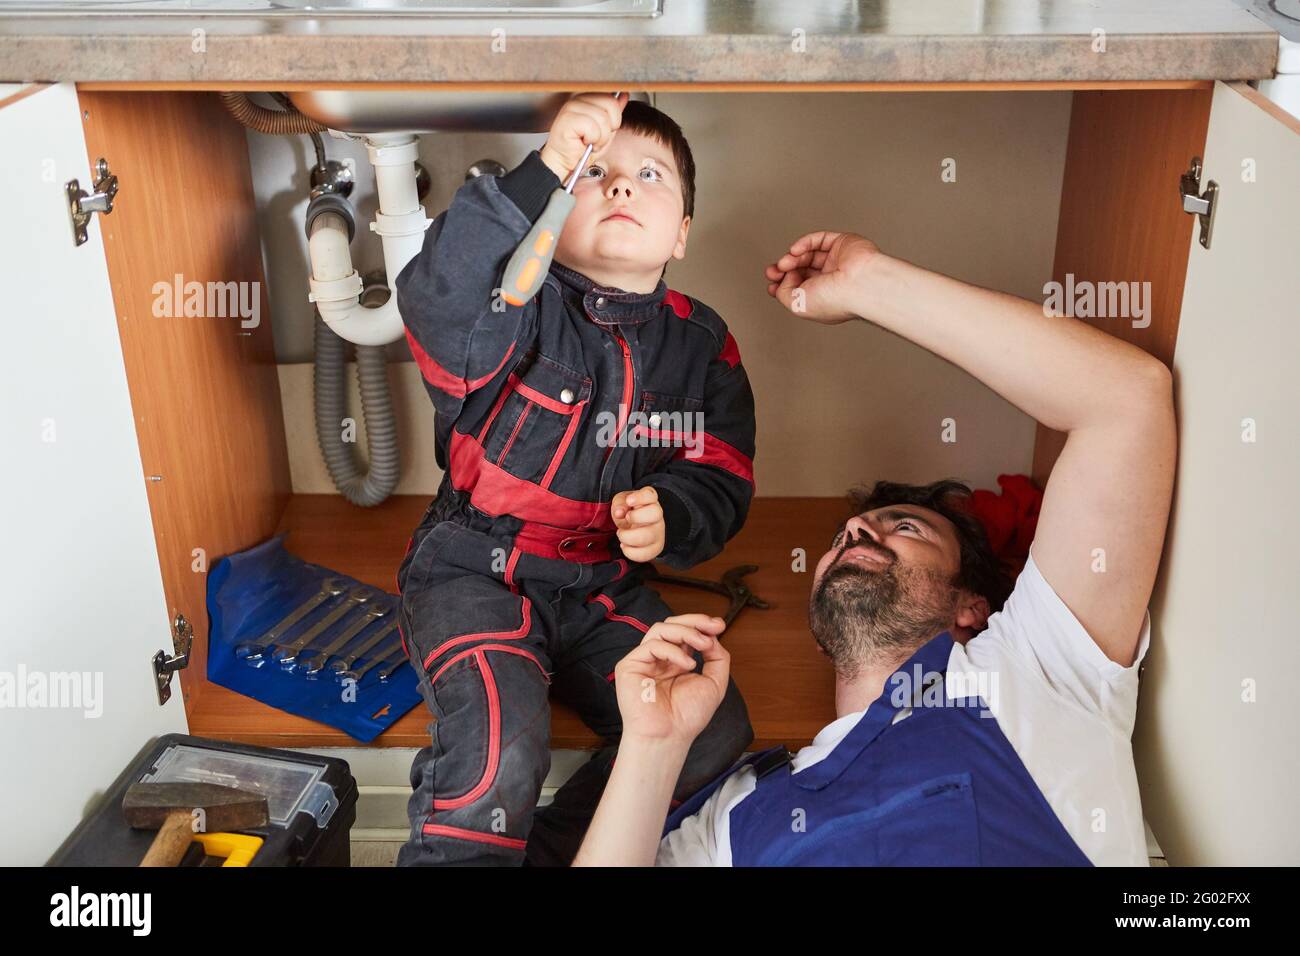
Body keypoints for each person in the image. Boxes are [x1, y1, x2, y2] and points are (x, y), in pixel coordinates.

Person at [573, 230, 1176, 866]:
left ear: (973, 606)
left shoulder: (1035, 673)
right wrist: (653, 745)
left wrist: (868, 282)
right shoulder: (737, 813)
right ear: (817, 631)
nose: (857, 531)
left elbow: (1126, 398)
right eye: (842, 539)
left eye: (906, 528)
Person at [391, 93, 757, 866]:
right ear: (556, 211)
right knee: (500, 755)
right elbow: (435, 295)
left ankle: (558, 853)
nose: (623, 187)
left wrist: (675, 514)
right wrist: (548, 164)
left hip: (602, 584)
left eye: (650, 175)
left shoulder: (704, 345)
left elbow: (720, 471)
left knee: (710, 729)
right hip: (476, 568)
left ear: (682, 231)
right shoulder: (511, 305)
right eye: (596, 173)